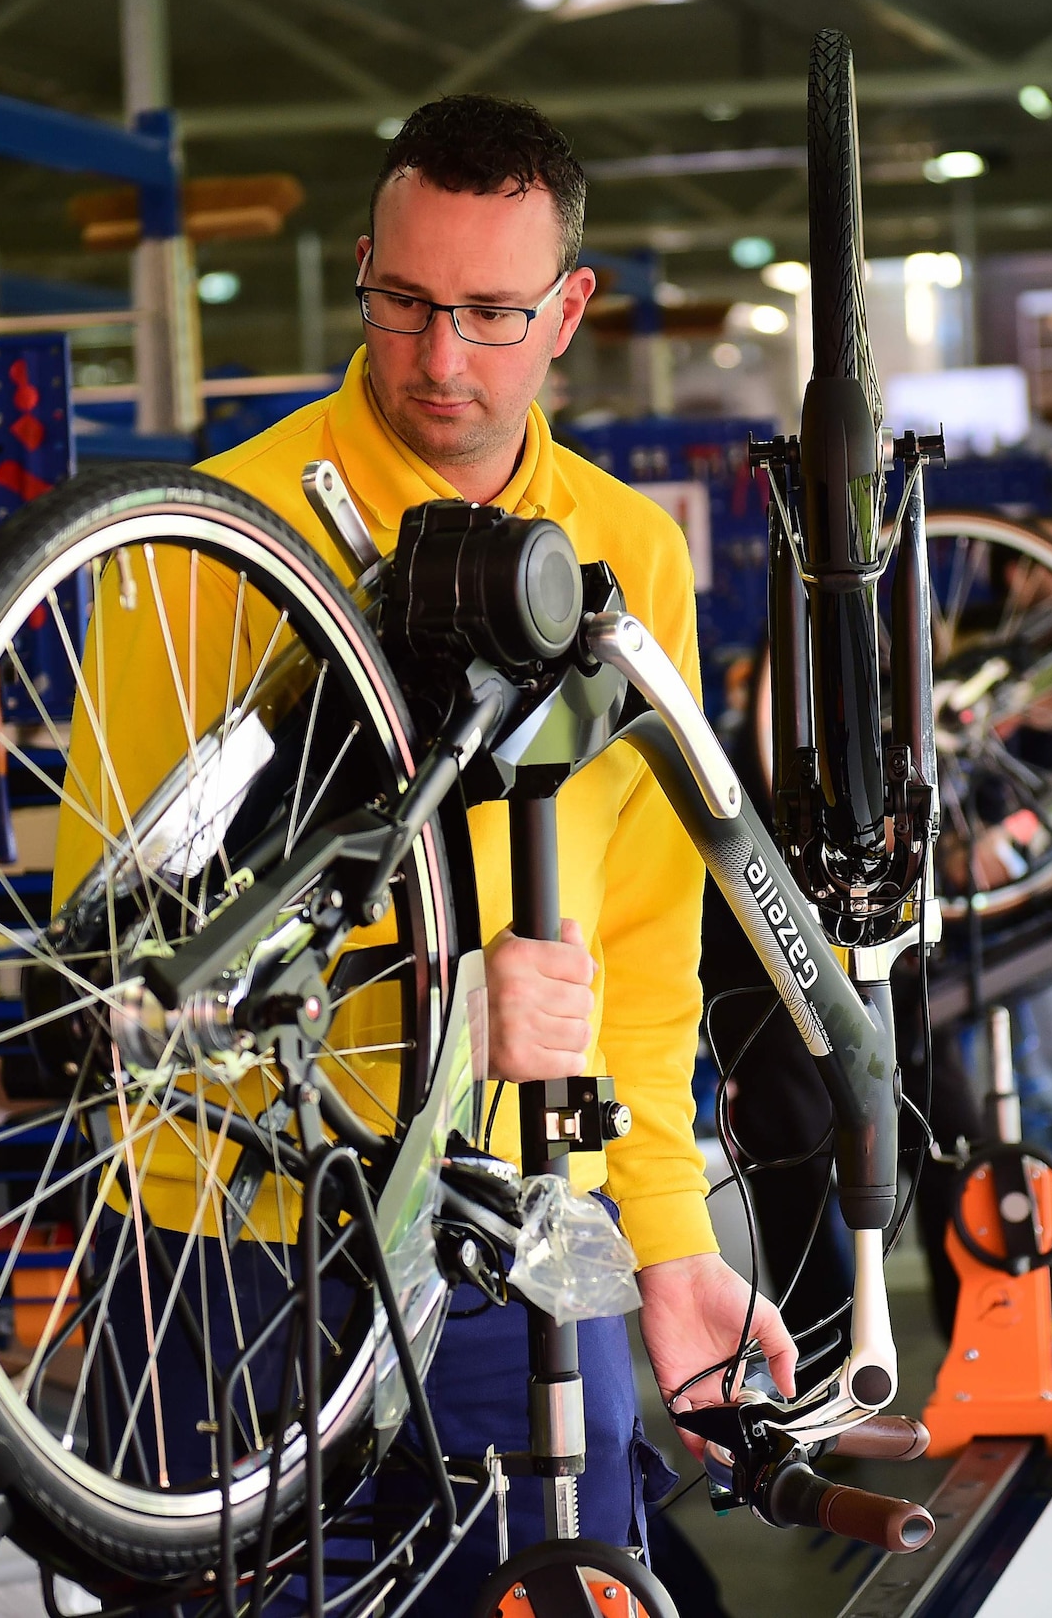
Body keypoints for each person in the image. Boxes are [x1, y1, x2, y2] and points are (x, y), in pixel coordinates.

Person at [55, 94, 796, 1603]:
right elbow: (109, 974)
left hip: (528, 1230)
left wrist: (671, 1243)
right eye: (402, 303)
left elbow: (641, 960)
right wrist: (449, 1013)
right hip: (236, 1251)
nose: (441, 359)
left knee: (569, 1583)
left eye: (491, 314)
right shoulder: (211, 537)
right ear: (360, 272)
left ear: (569, 311)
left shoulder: (630, 555)